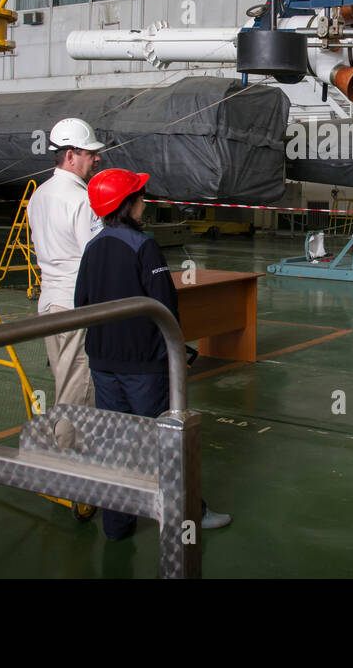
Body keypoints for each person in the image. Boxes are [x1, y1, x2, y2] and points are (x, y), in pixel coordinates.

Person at [75, 168, 232, 539]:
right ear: (126, 204)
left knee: (115, 442)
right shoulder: (143, 247)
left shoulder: (93, 246)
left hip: (102, 363)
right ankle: (188, 515)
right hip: (144, 367)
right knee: (166, 442)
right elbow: (165, 308)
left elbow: (81, 302)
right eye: (140, 197)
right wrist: (175, 357)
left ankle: (117, 524)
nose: (144, 203)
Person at [27, 117, 105, 410]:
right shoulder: (82, 199)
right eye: (90, 153)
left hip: (49, 303)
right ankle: (68, 451)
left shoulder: (39, 195)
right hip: (75, 306)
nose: (97, 158)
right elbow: (94, 257)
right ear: (71, 155)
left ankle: (61, 445)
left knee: (64, 381)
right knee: (80, 389)